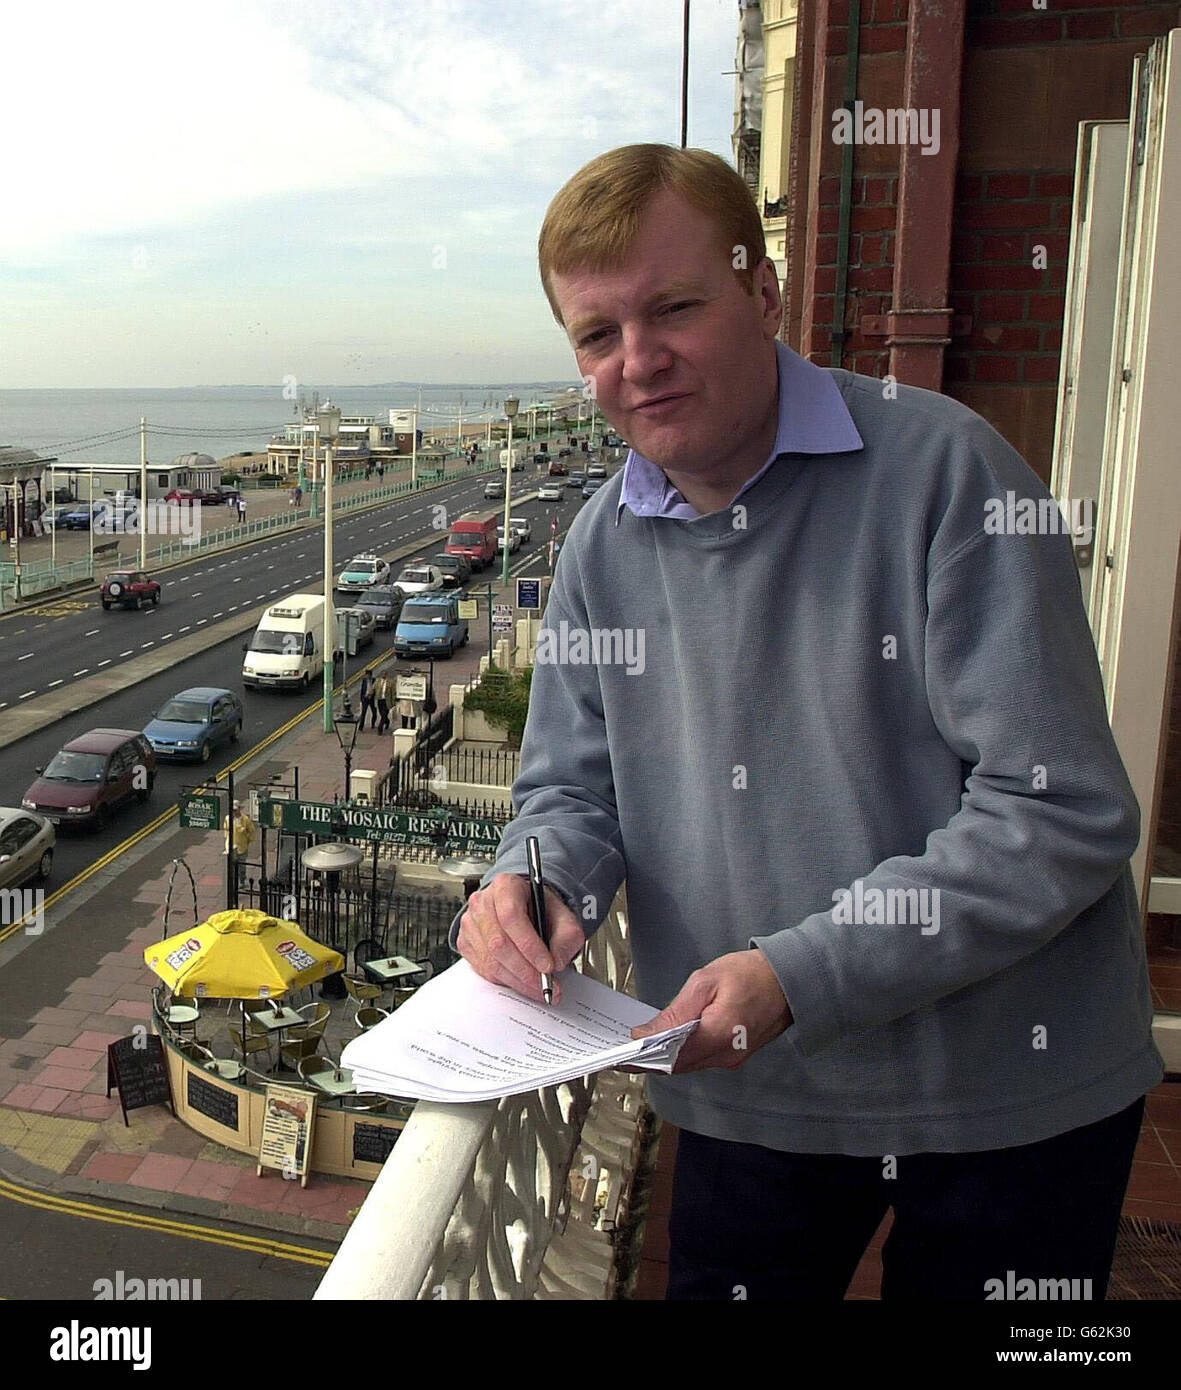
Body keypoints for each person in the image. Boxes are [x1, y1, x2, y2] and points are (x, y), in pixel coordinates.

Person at [450, 144, 1164, 1302]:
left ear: (764, 291)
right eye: (595, 335)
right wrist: (535, 887)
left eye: (673, 307)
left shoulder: (949, 474)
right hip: (748, 1090)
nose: (637, 361)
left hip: (1005, 1099)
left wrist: (801, 973)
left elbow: (1061, 809)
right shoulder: (592, 547)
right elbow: (569, 791)